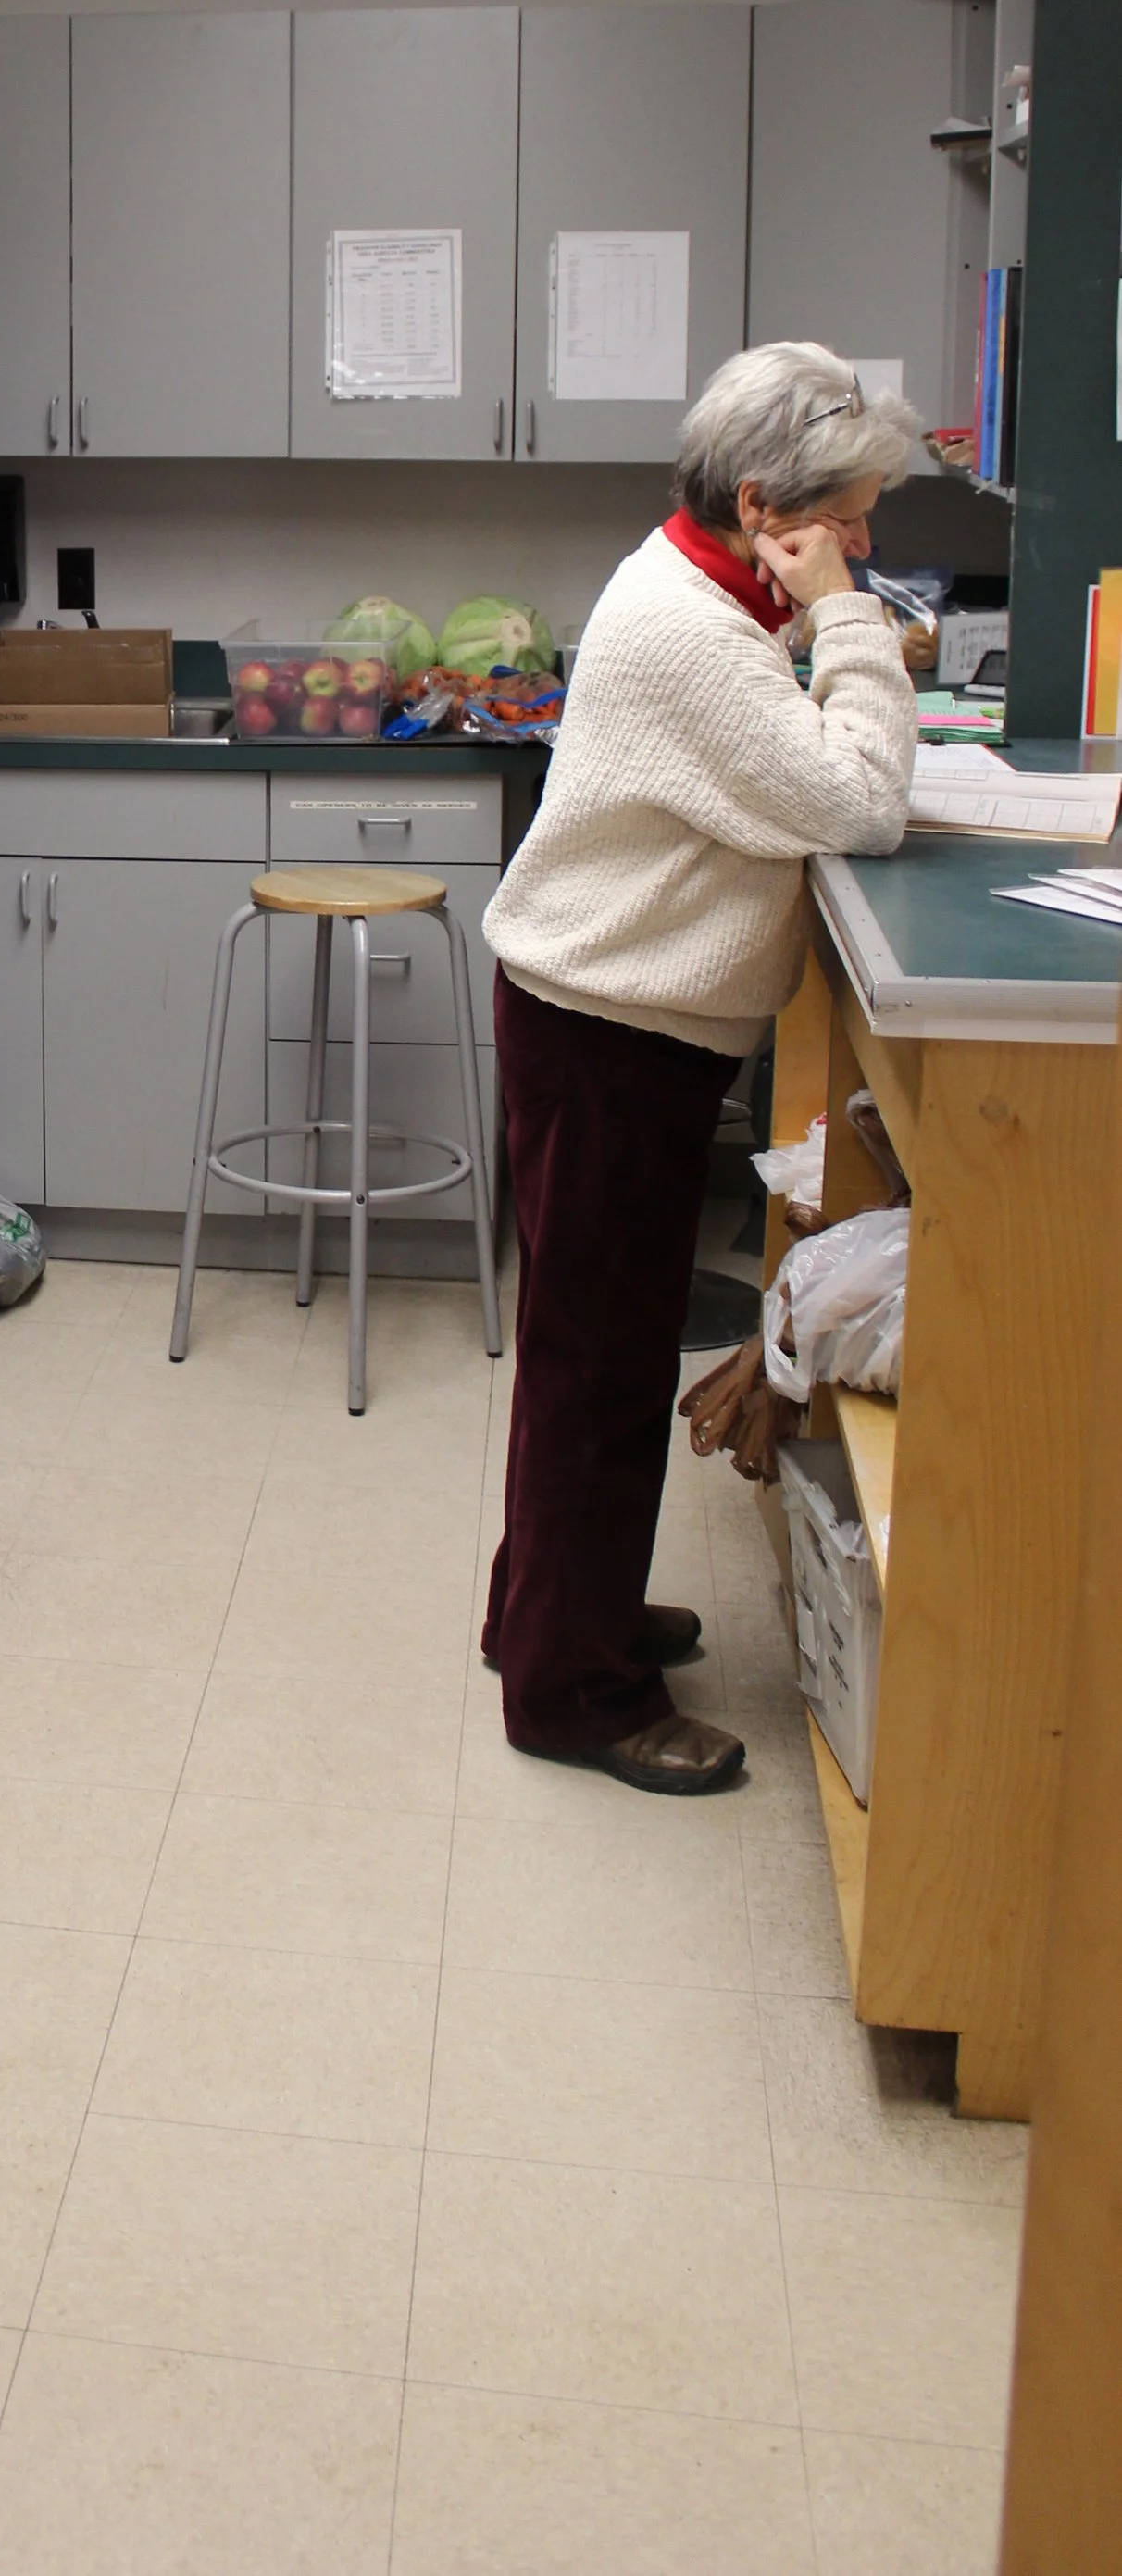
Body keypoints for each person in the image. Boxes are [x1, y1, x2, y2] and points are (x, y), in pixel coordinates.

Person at [480, 342, 916, 1793]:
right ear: (763, 502)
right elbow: (859, 799)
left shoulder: (708, 591)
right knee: (600, 1371)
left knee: (584, 1356)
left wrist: (824, 606)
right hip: (610, 1034)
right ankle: (573, 1691)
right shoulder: (694, 633)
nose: (862, 543)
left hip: (612, 1025)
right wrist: (846, 618)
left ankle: (551, 1612)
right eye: (847, 517)